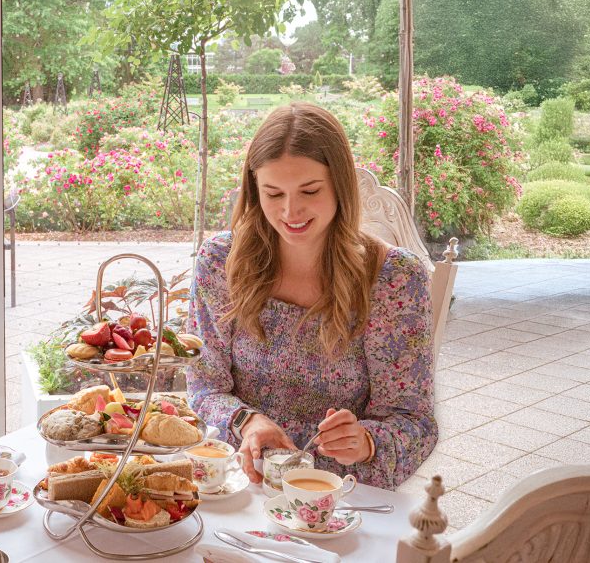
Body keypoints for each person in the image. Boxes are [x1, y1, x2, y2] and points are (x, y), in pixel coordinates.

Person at [186, 102, 437, 491]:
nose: (291, 211)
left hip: (340, 496)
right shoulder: (222, 261)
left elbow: (414, 421)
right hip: (240, 482)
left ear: (340, 184)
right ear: (254, 191)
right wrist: (245, 420)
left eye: (310, 190)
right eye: (273, 193)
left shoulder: (394, 279)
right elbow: (204, 386)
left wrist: (367, 442)